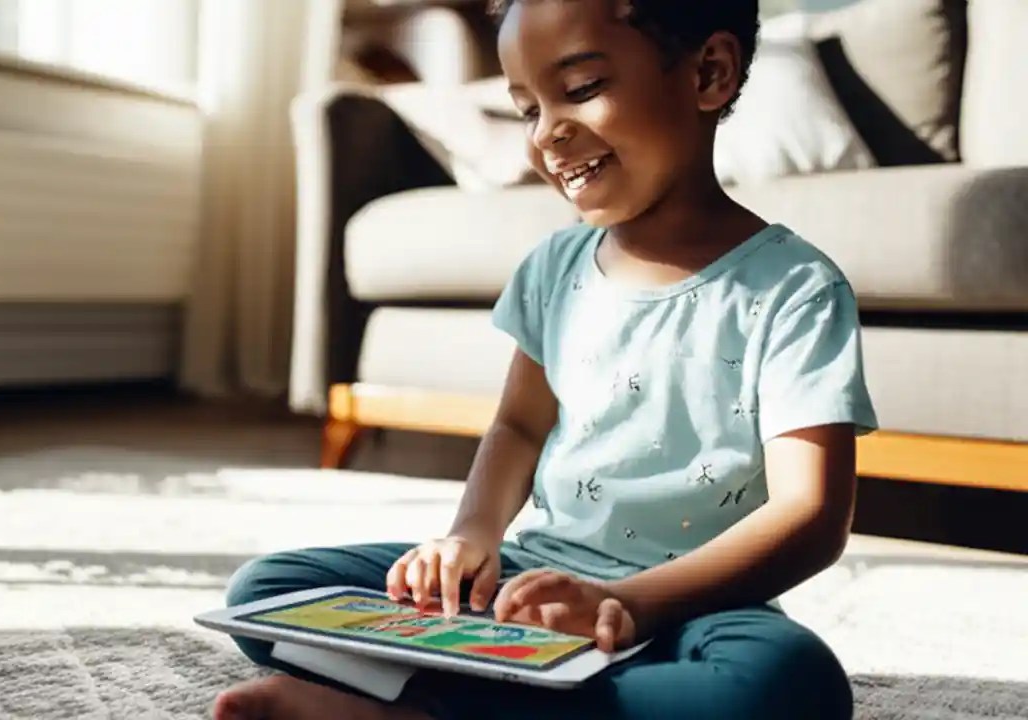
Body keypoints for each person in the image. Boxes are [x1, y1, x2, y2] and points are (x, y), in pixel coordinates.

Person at [212, 0, 877, 718]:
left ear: (709, 74)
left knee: (792, 686)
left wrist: (628, 603)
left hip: (693, 607)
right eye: (528, 107)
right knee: (270, 589)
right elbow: (519, 428)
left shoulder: (796, 288)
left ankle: (410, 705)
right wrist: (472, 537)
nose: (548, 134)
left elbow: (811, 515)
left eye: (583, 89)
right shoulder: (555, 266)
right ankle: (504, 694)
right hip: (530, 591)